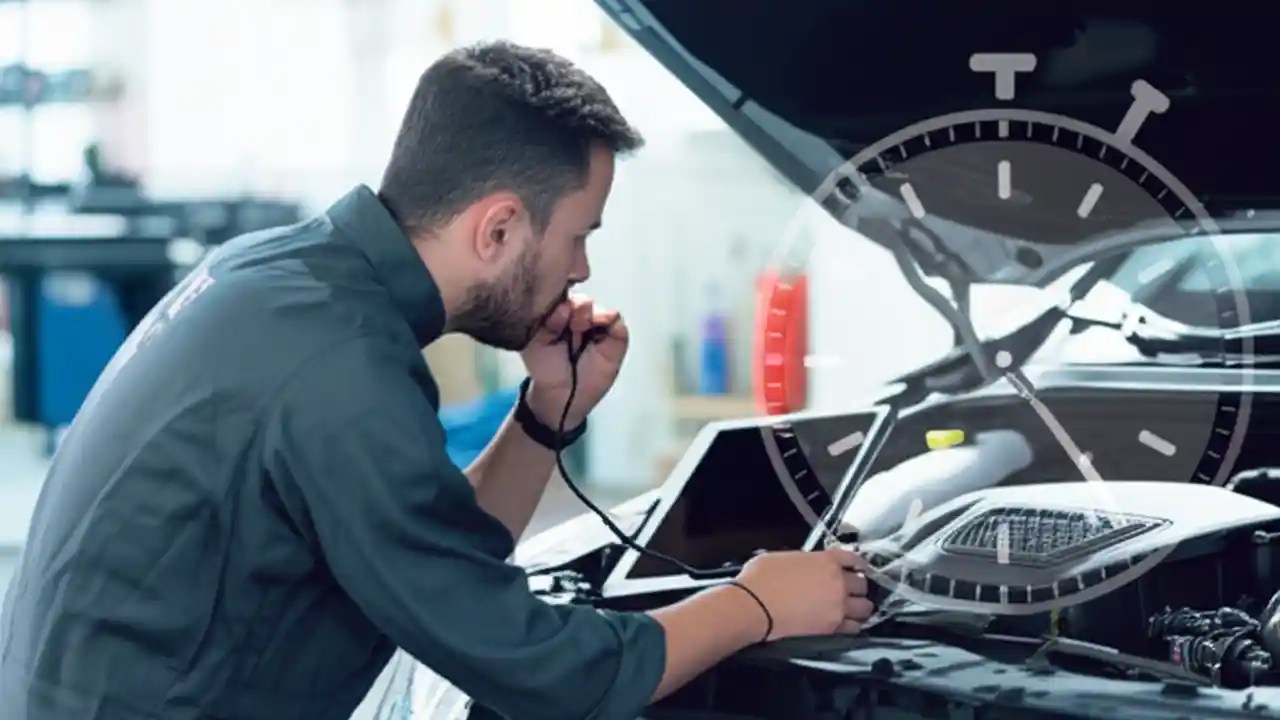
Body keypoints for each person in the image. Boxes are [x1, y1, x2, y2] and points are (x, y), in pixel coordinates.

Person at [0, 40, 874, 719]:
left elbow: (427, 554)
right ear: (496, 229)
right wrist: (754, 604)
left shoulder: (281, 279)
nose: (580, 268)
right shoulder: (343, 372)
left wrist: (545, 417)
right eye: (577, 234)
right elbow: (549, 677)